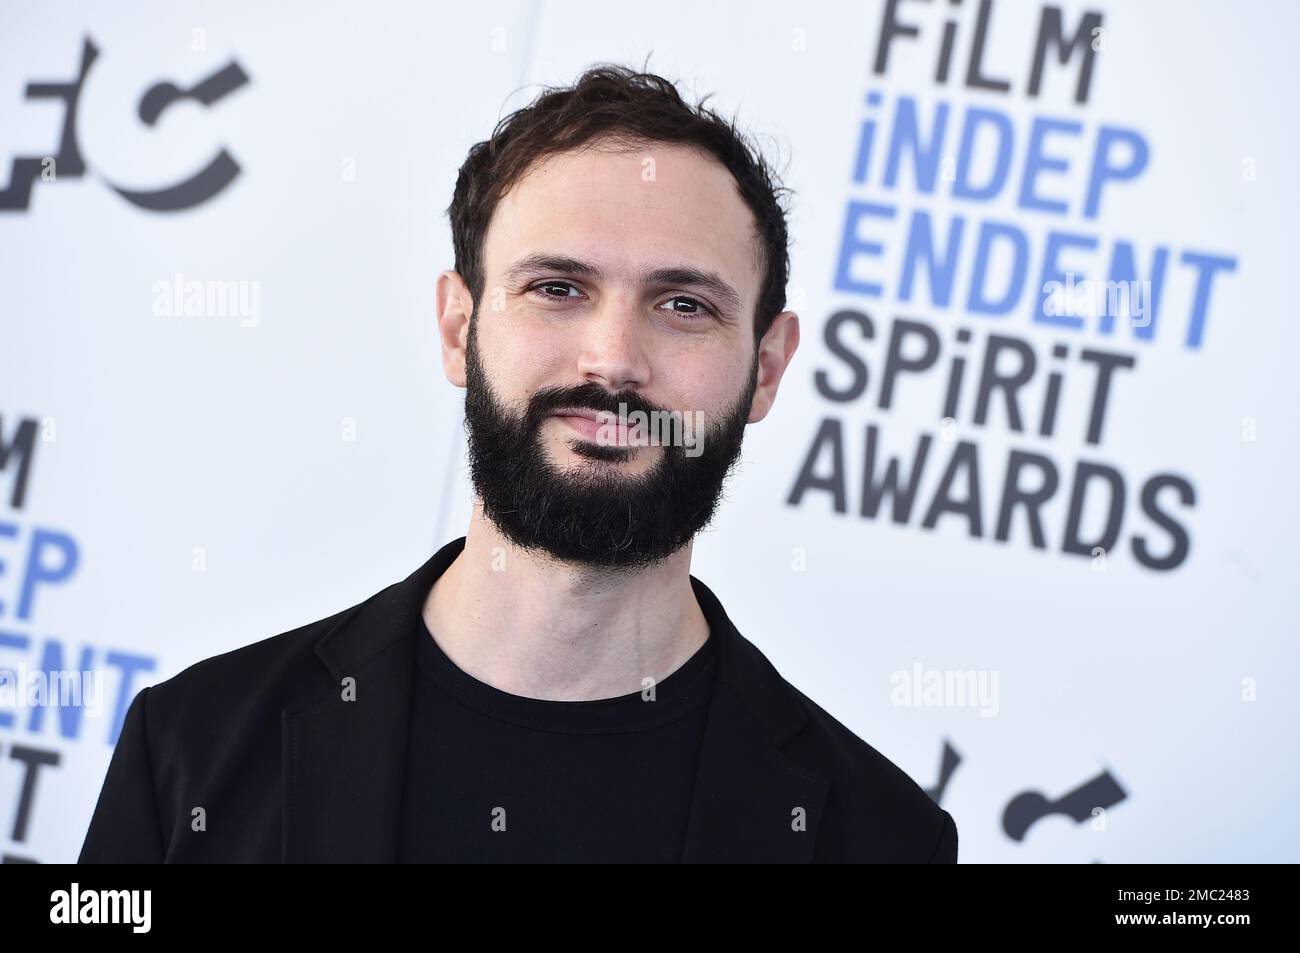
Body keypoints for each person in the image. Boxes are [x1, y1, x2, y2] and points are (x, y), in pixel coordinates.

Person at [79, 63, 957, 863]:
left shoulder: (881, 840)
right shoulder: (192, 748)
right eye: (558, 289)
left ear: (765, 367)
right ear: (460, 329)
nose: (613, 360)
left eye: (683, 304)